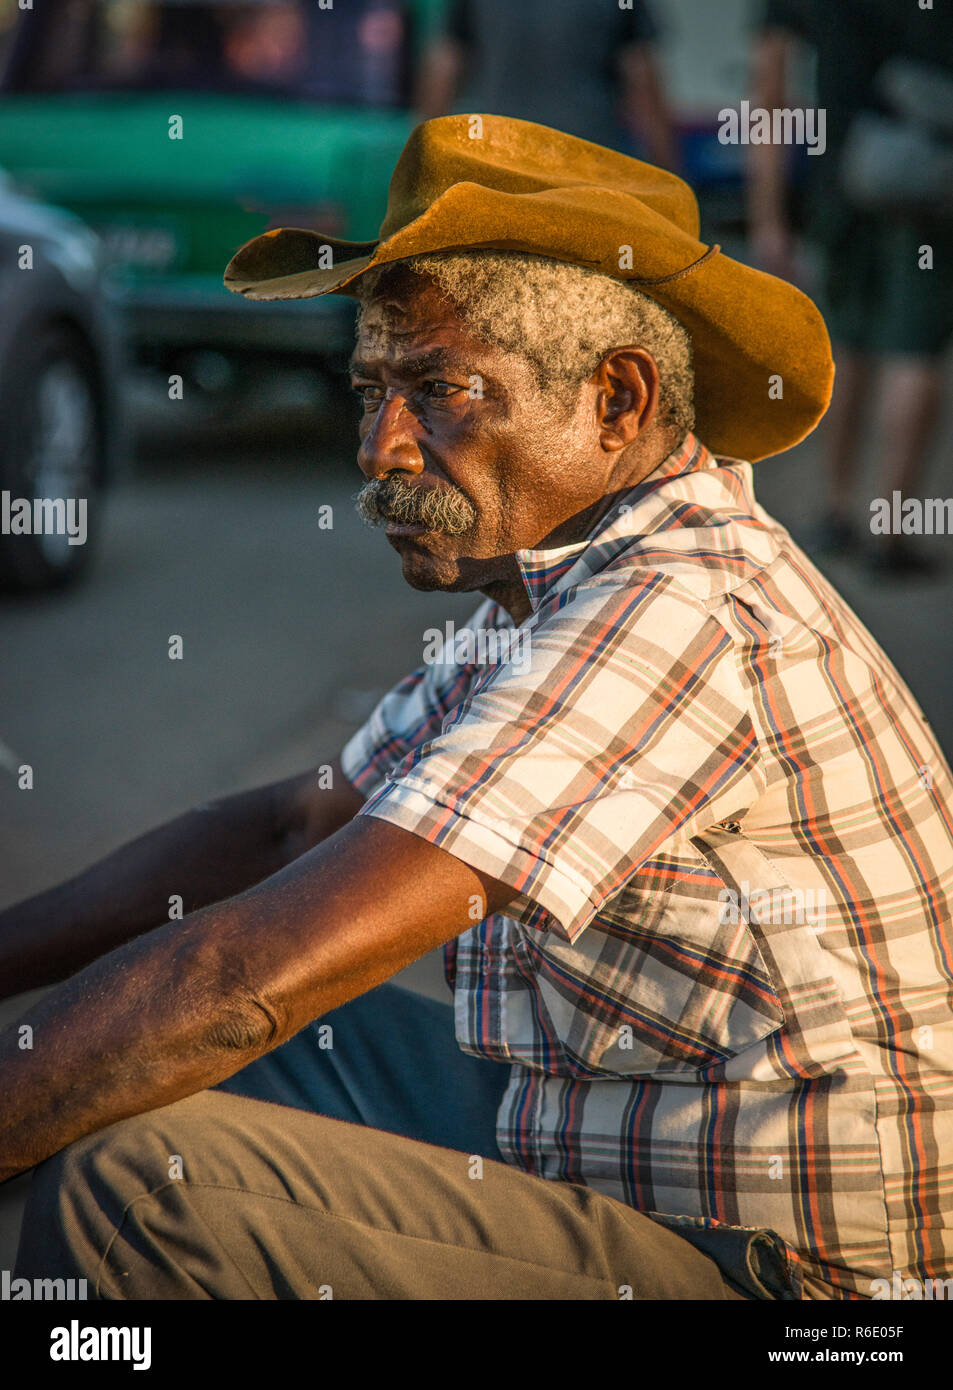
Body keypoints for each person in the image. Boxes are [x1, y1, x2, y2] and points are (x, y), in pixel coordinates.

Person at [6, 115, 953, 1301]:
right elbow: (289, 832)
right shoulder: (557, 580)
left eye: (438, 391)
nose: (382, 448)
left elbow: (247, 972)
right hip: (599, 1158)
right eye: (371, 392)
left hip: (788, 1282)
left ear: (616, 400)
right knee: (139, 1052)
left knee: (141, 1186)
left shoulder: (679, 609)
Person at [748, 0, 953, 575]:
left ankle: (836, 511)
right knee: (914, 351)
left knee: (845, 345)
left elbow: (770, 83)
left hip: (841, 181)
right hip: (930, 189)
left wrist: (767, 214)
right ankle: (893, 533)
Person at [415, 0, 678, 167]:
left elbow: (446, 66)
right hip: (588, 164)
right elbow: (640, 78)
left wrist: (420, 161)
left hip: (502, 161)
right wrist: (671, 173)